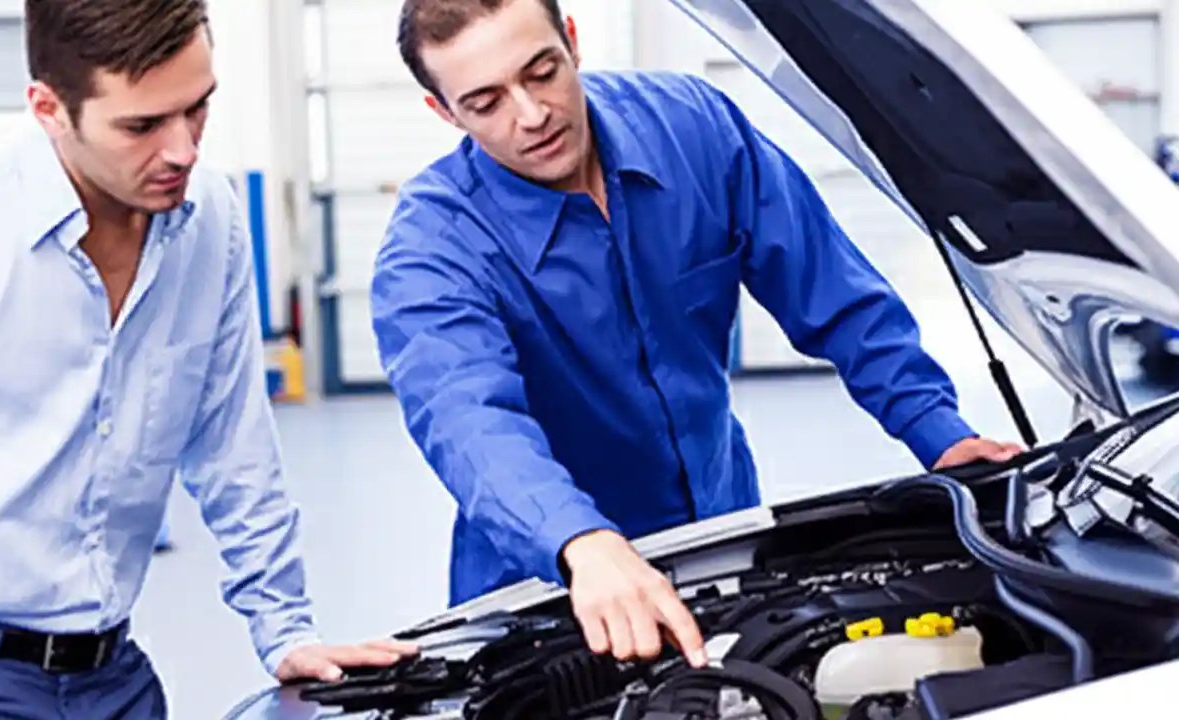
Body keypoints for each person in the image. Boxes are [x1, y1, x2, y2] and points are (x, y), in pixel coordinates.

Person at [371, 0, 1022, 671]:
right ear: (444, 113)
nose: (531, 114)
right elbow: (468, 422)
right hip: (552, 588)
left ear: (571, 41)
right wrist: (582, 542)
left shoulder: (695, 131)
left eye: (541, 72)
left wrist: (939, 432)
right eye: (486, 103)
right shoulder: (432, 248)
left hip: (724, 543)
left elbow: (833, 290)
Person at [0, 1, 417, 718]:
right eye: (142, 126)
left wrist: (286, 631)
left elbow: (235, 444)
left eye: (197, 108)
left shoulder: (212, 219)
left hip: (116, 681)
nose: (183, 150)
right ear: (48, 108)